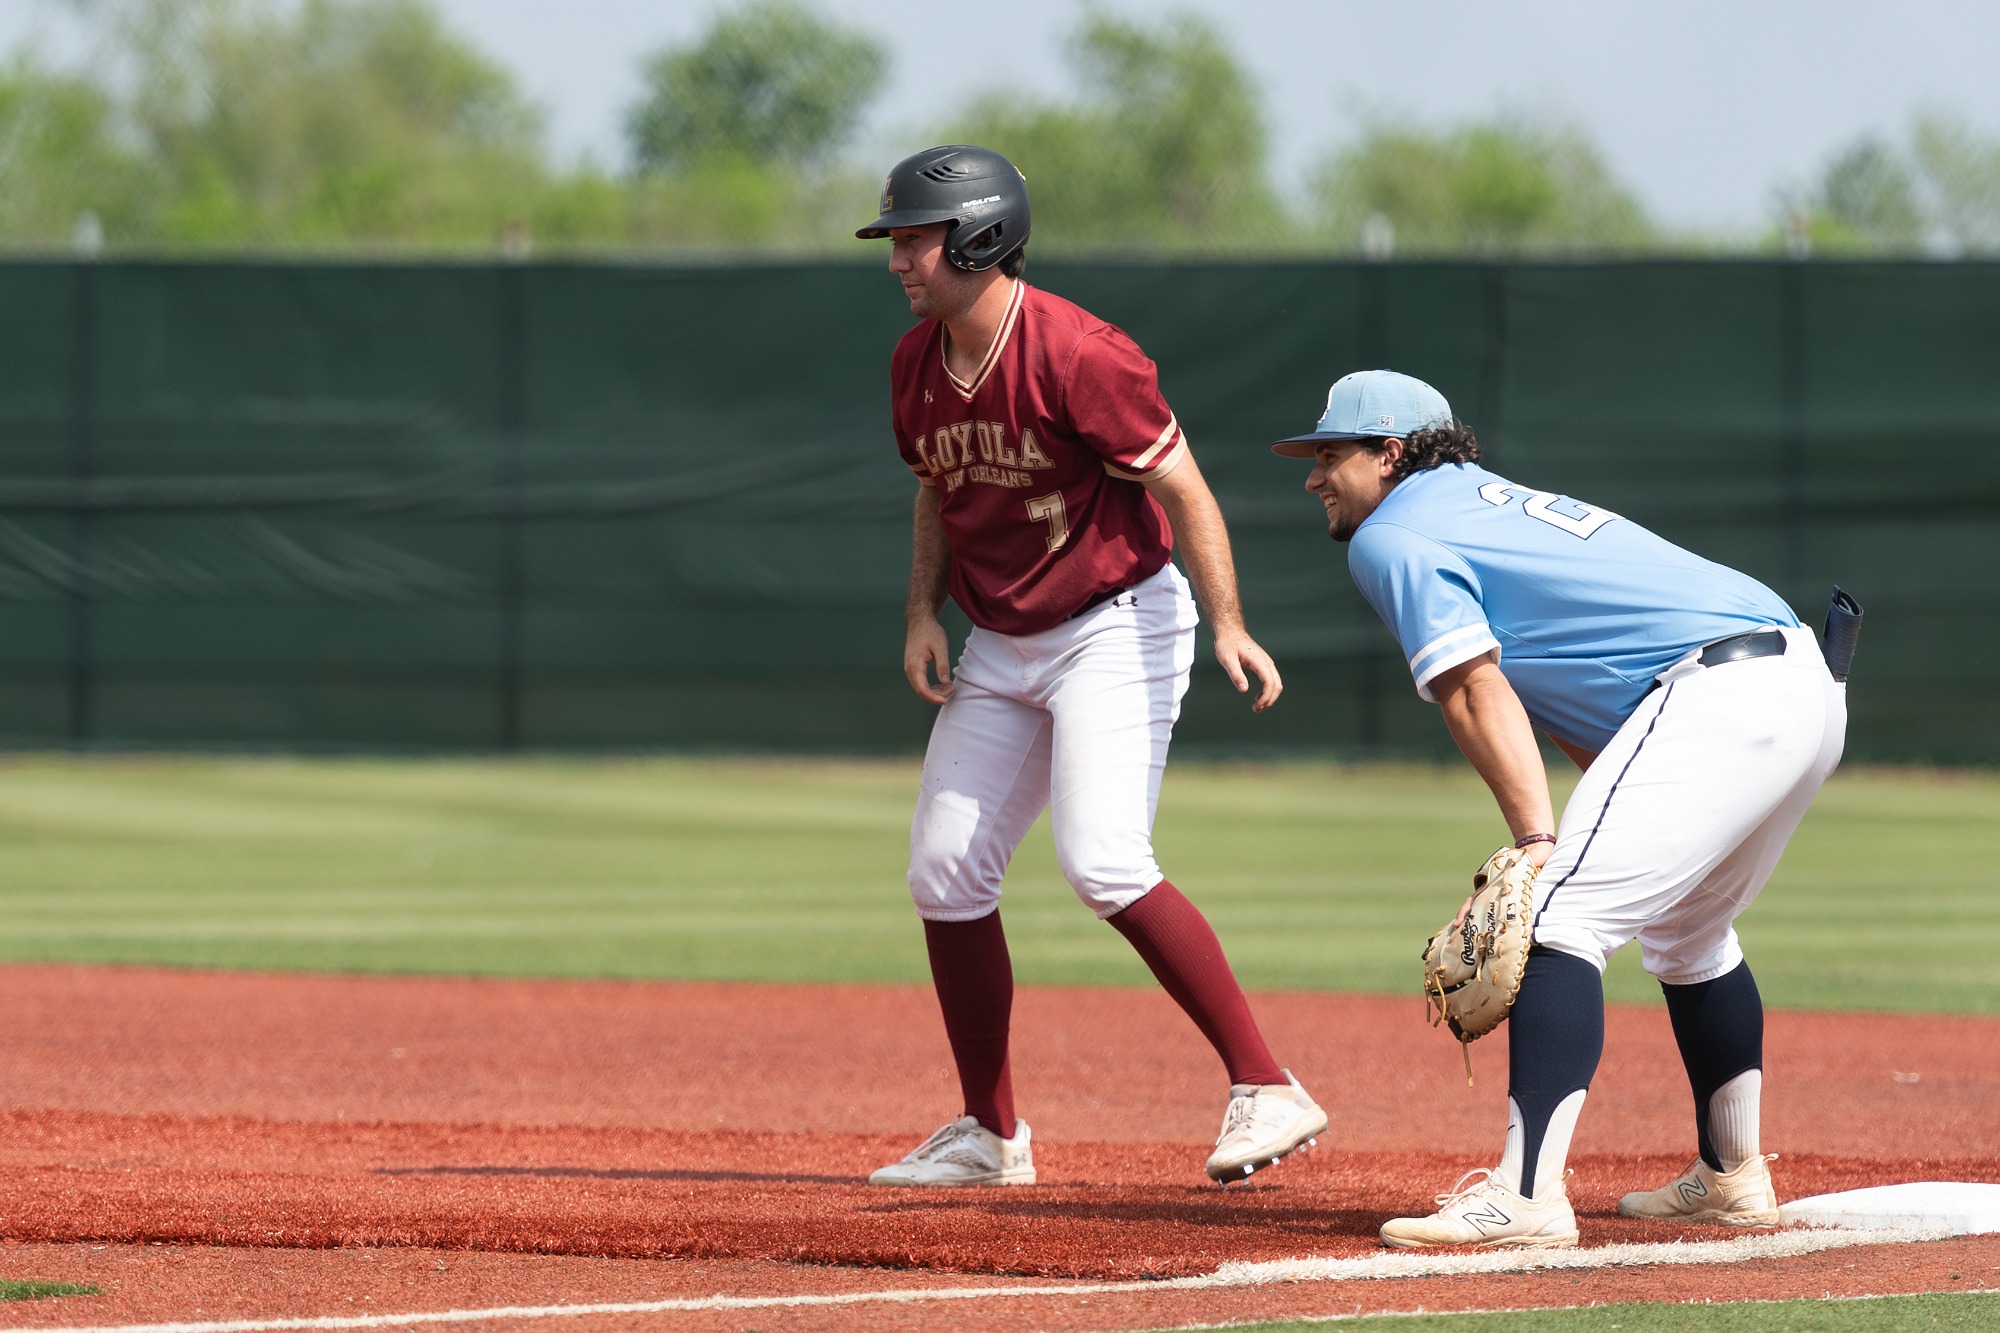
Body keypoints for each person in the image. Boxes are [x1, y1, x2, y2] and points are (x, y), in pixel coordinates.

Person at [1274, 369, 1846, 1248]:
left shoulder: (1390, 533)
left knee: (1558, 918)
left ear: (1390, 453)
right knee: (1689, 935)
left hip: (1718, 693)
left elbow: (1472, 687)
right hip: (1801, 680)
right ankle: (1734, 1175)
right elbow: (1594, 714)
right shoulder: (1476, 503)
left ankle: (1528, 1194)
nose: (1314, 474)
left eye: (1331, 454)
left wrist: (1540, 842)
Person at [854, 144, 1326, 1188]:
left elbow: (1186, 492)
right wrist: (919, 613)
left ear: (979, 237)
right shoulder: (913, 362)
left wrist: (1228, 622)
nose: (897, 257)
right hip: (1000, 637)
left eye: (913, 236)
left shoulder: (1078, 352)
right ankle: (989, 1133)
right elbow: (938, 486)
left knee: (1104, 858)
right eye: (893, 237)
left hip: (1116, 621)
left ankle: (1265, 1082)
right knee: (941, 871)